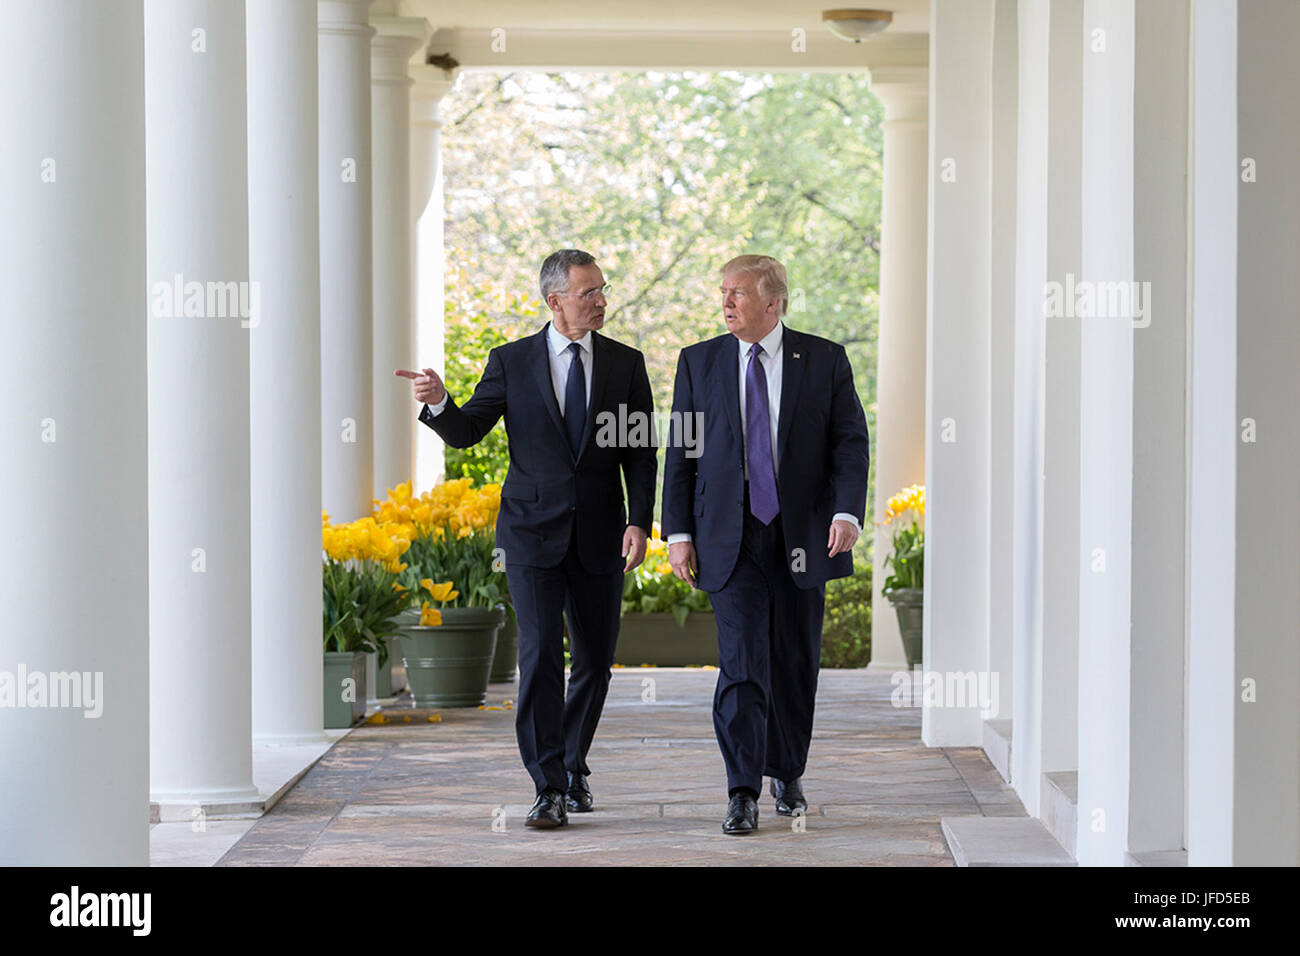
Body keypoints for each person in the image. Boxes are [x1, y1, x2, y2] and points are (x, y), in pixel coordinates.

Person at [396, 249, 656, 829]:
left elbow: (640, 453)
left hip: (600, 535)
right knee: (540, 659)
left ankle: (570, 761)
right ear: (555, 300)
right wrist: (439, 401)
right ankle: (549, 787)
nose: (601, 301)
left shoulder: (626, 364)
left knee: (594, 662)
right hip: (529, 535)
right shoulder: (510, 362)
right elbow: (466, 432)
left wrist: (641, 520)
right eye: (588, 293)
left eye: (602, 290)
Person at [661, 254, 870, 834]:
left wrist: (847, 511)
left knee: (795, 659)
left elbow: (850, 442)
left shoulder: (825, 359)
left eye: (738, 293)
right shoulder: (698, 361)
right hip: (728, 536)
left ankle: (788, 768)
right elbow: (681, 452)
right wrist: (677, 533)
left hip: (804, 532)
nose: (726, 302)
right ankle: (742, 789)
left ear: (773, 301)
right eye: (723, 292)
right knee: (742, 661)